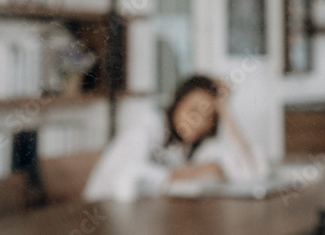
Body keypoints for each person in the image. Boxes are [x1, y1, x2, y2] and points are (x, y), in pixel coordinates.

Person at [84, 74, 267, 201]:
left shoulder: (190, 146)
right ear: (177, 102)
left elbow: (254, 173)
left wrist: (226, 109)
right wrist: (194, 172)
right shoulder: (148, 124)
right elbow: (126, 179)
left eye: (210, 116)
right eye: (193, 110)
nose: (199, 122)